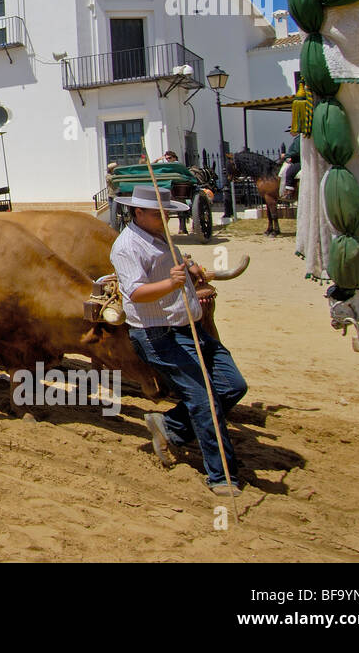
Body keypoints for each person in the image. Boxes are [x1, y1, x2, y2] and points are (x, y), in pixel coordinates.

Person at [110, 184, 248, 496]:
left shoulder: (164, 237)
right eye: (161, 214)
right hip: (158, 333)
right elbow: (135, 292)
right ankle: (222, 475)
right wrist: (170, 282)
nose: (167, 218)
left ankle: (170, 426)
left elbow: (172, 265)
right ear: (139, 212)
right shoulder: (126, 247)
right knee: (204, 399)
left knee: (233, 385)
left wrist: (188, 268)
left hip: (189, 326)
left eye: (168, 213)